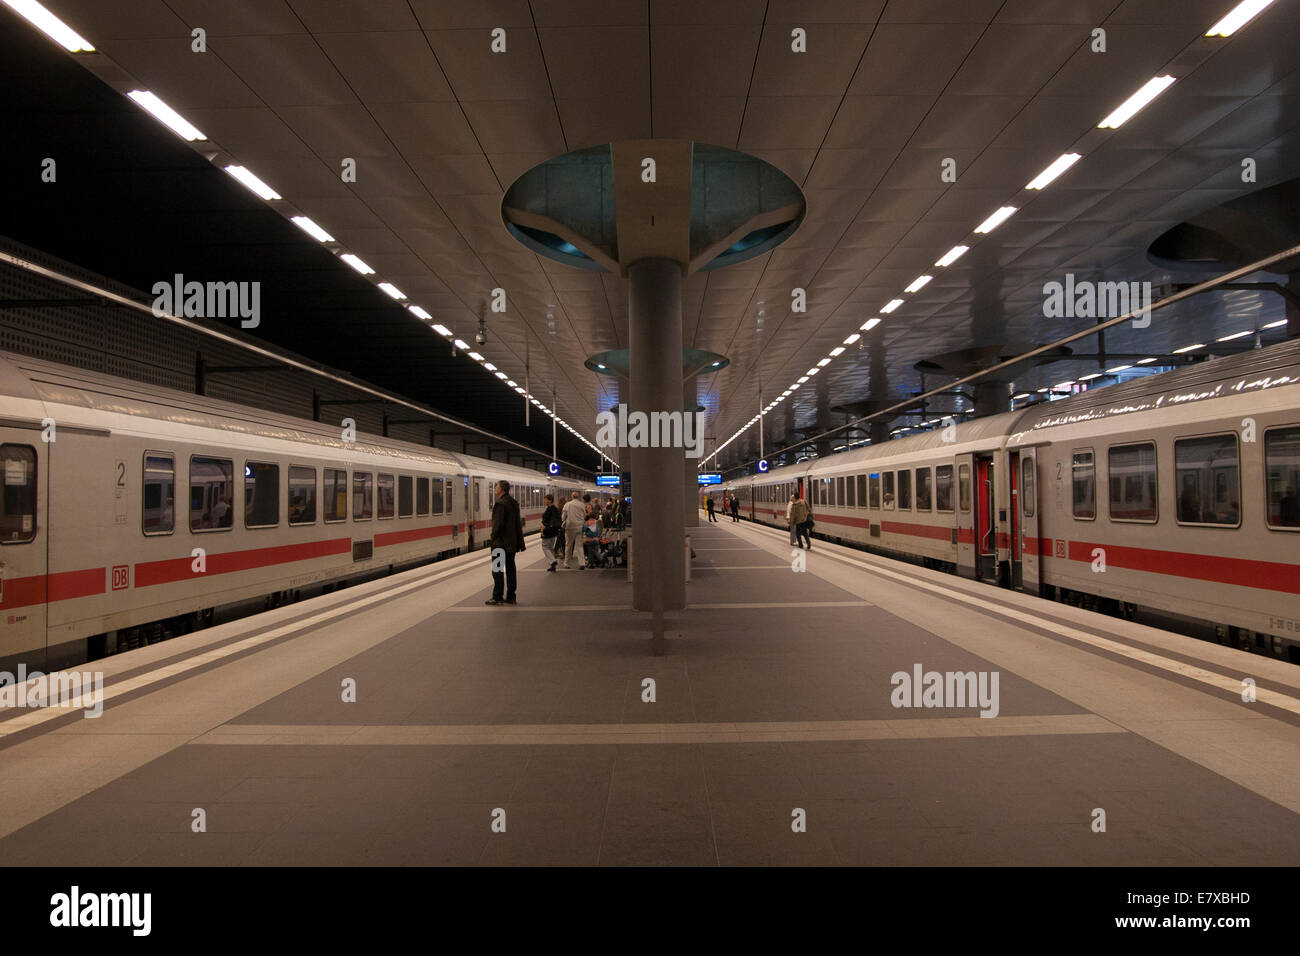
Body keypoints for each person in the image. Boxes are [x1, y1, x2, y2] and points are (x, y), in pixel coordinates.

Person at [485, 479, 525, 605]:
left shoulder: (500, 504)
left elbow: (497, 525)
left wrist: (492, 538)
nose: (495, 488)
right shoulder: (513, 503)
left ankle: (497, 596)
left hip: (500, 544)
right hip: (511, 543)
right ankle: (511, 596)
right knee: (511, 570)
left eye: (496, 486)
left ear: (501, 489)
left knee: (497, 570)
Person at [561, 490, 586, 568]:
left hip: (570, 527)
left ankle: (566, 563)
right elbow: (584, 515)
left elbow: (563, 517)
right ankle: (582, 563)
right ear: (578, 497)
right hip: (579, 527)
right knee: (579, 546)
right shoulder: (582, 505)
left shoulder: (567, 504)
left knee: (568, 546)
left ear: (572, 497)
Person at [540, 494, 561, 572]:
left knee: (545, 546)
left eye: (545, 500)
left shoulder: (549, 509)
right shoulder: (555, 508)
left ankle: (553, 561)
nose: (544, 501)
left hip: (547, 530)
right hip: (554, 531)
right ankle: (553, 566)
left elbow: (545, 521)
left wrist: (543, 528)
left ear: (549, 500)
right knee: (551, 547)